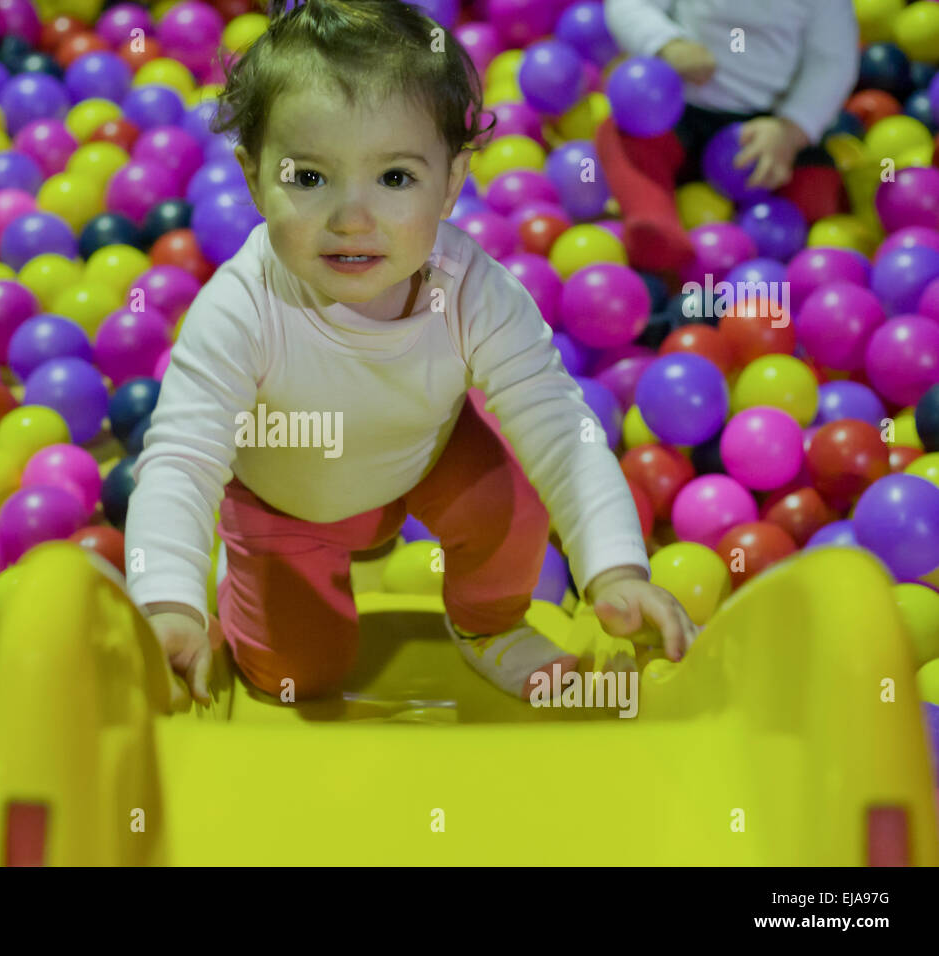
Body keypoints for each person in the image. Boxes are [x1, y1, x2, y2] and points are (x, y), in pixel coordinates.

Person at [126, 0, 697, 711]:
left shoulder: (470, 290)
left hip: (425, 460)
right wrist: (170, 601)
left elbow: (562, 428)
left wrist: (614, 568)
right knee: (297, 679)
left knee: (511, 498)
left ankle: (490, 628)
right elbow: (181, 458)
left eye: (395, 178)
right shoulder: (242, 309)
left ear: (452, 183)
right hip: (287, 501)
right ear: (253, 177)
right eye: (308, 178)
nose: (351, 217)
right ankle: (239, 593)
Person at [598, 0, 860, 281]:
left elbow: (832, 61)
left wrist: (791, 129)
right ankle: (653, 220)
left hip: (769, 127)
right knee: (623, 133)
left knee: (816, 181)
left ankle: (794, 259)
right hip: (681, 109)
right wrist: (667, 43)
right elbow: (630, 5)